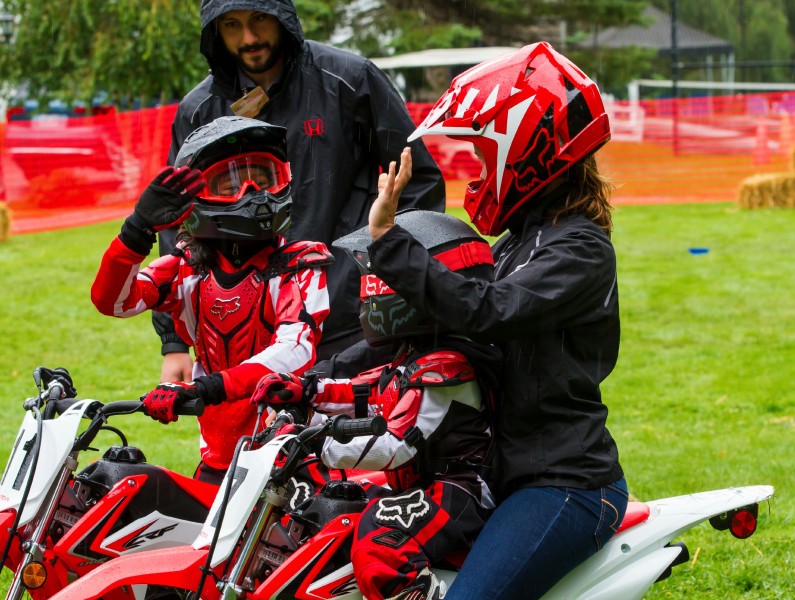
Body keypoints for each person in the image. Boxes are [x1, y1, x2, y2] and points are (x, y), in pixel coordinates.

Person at [362, 42, 629, 599]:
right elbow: (440, 328)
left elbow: (486, 311)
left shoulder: (579, 250)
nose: (477, 174)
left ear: (526, 150)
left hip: (563, 483)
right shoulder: (516, 244)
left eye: (484, 157)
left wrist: (390, 245)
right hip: (491, 473)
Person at [155, 0, 446, 384]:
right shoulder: (200, 110)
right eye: (232, 25)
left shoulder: (350, 81)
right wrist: (175, 340)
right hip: (241, 334)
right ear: (215, 32)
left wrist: (383, 276)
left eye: (259, 19)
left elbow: (417, 181)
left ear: (281, 18)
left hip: (348, 324)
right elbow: (177, 220)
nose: (249, 37)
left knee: (342, 439)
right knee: (246, 444)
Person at [251, 210, 502, 600]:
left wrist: (316, 443)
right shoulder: (414, 354)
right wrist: (304, 392)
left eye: (388, 279)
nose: (372, 289)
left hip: (460, 492)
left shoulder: (448, 366)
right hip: (423, 484)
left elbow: (396, 444)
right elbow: (363, 391)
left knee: (379, 539)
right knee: (328, 507)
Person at [91, 116, 333, 484]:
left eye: (265, 178)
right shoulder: (186, 268)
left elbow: (294, 350)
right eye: (232, 182)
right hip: (217, 454)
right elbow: (115, 302)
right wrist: (137, 229)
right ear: (199, 197)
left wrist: (203, 388)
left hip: (288, 450)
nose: (254, 193)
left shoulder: (297, 264)